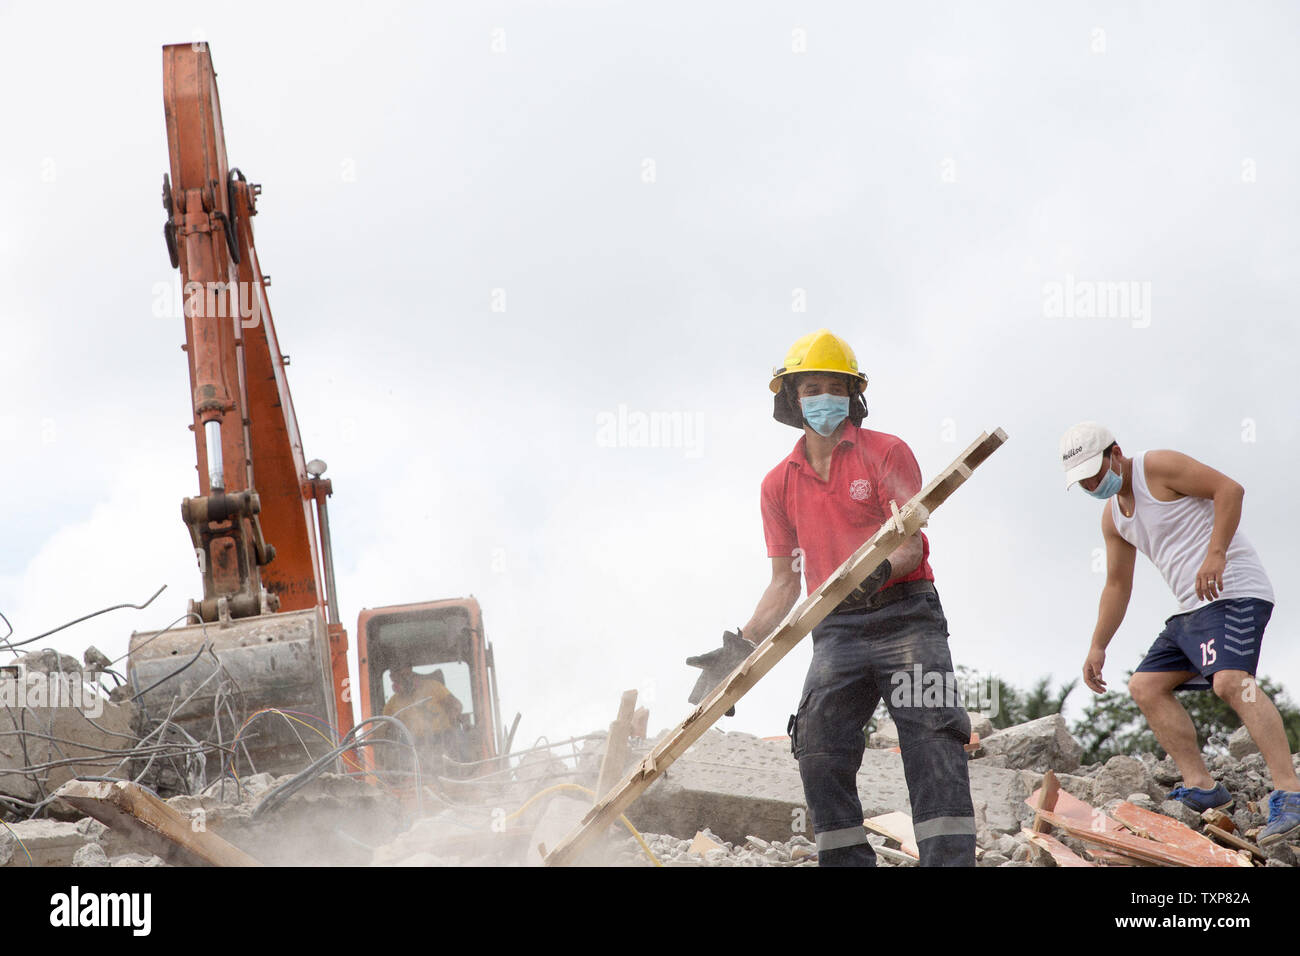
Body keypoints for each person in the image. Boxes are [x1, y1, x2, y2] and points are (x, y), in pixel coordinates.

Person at [738, 328, 975, 866]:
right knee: (818, 745)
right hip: (837, 627)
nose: (824, 397)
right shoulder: (778, 484)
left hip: (907, 612)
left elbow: (912, 544)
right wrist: (742, 645)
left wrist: (879, 569)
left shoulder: (886, 452)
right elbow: (784, 582)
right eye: (811, 387)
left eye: (835, 387)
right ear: (792, 399)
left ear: (853, 395)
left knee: (932, 735)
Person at [1061, 421, 1300, 846]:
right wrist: (1098, 645)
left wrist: (1216, 553)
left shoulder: (1157, 466)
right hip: (1192, 608)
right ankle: (1204, 788)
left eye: (1095, 474)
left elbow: (1230, 490)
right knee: (1145, 685)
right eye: (1083, 483)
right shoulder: (1113, 516)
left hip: (1235, 590)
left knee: (1231, 683)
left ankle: (1291, 792)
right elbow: (1117, 584)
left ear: (1115, 453)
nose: (1093, 484)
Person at [383, 664, 464, 767]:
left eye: (403, 675)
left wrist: (453, 717)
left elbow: (457, 705)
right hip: (414, 744)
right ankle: (407, 777)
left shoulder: (433, 687)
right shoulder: (393, 703)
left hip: (443, 737)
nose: (400, 680)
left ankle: (464, 769)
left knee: (458, 735)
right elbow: (383, 726)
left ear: (410, 671)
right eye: (395, 677)